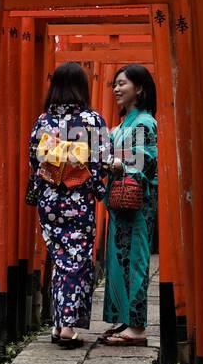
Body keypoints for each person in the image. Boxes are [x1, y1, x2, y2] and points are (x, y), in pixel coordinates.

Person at [29, 62, 113, 347]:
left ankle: (57, 325)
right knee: (75, 262)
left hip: (50, 200)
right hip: (78, 200)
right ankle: (67, 326)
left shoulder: (43, 121)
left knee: (59, 258)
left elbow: (34, 159)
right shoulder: (92, 120)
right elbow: (103, 160)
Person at [100, 64, 159, 346]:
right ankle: (126, 319)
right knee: (119, 260)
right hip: (120, 204)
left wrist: (119, 164)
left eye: (122, 83)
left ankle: (137, 328)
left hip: (137, 206)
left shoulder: (145, 123)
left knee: (135, 261)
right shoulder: (123, 125)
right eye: (114, 84)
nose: (116, 89)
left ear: (140, 88)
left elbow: (147, 161)